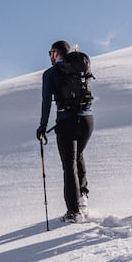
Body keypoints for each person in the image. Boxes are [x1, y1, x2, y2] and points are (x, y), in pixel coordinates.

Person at [37, 40, 94, 222]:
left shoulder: (51, 74)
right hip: (87, 120)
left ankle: (73, 211)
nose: (50, 57)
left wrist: (43, 126)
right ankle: (83, 197)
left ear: (56, 53)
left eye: (50, 53)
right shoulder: (80, 67)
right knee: (79, 156)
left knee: (69, 165)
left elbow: (46, 102)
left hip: (66, 121)